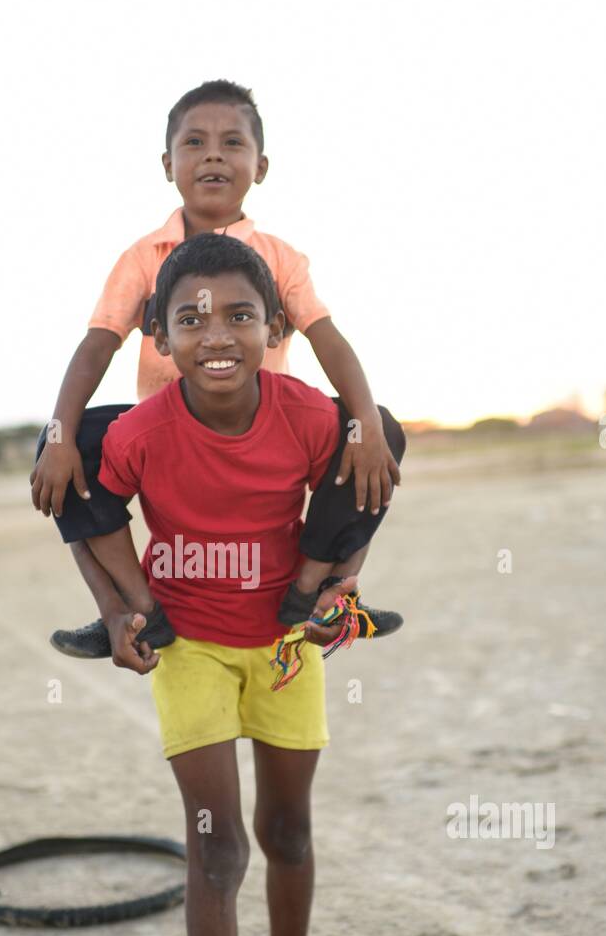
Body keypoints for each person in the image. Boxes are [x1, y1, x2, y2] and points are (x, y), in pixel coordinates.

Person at [90, 231, 401, 936]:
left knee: (290, 829)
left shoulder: (311, 416)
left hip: (281, 646)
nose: (214, 333)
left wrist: (338, 587)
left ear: (273, 331)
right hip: (189, 647)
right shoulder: (138, 433)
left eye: (238, 315)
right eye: (190, 318)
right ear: (160, 334)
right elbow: (89, 519)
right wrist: (118, 614)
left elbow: (362, 491)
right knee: (218, 844)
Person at [29, 79, 405, 659]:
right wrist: (58, 434)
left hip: (265, 426)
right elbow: (95, 348)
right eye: (194, 142)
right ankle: (127, 609)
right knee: (63, 444)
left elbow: (328, 339)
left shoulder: (280, 258)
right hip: (165, 429)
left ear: (260, 166)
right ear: (167, 163)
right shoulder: (141, 258)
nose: (212, 154)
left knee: (378, 428)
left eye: (232, 143)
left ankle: (325, 591)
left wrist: (367, 423)